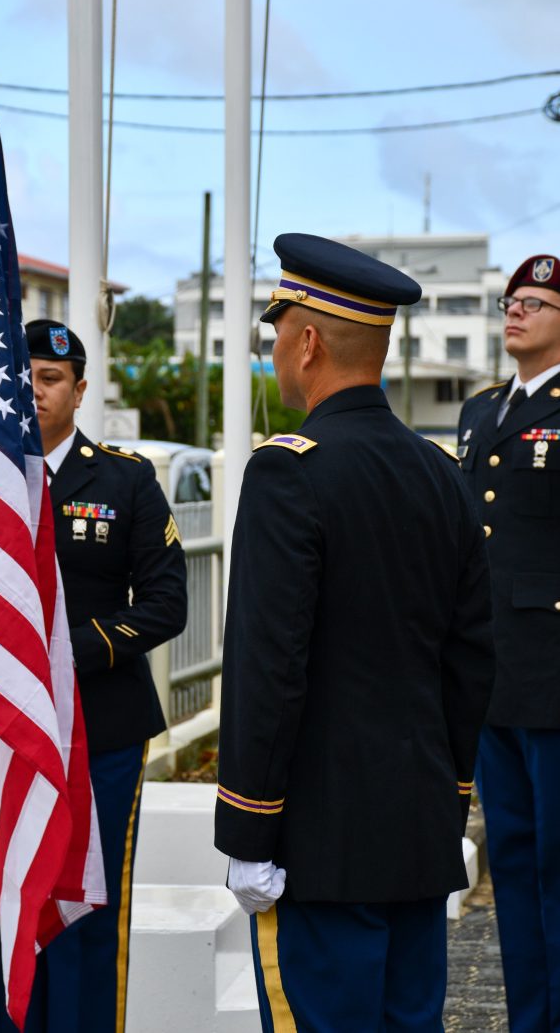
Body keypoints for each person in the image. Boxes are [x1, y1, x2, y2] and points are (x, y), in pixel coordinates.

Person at [214, 233, 495, 1031]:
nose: (274, 353)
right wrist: (451, 795)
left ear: (308, 343)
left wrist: (247, 826)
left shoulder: (287, 469)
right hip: (416, 833)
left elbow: (270, 669)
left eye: (277, 334)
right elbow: (472, 657)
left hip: (321, 844)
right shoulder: (442, 473)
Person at [0, 319, 188, 1033]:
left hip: (101, 728)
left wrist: (67, 649)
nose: (34, 388)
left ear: (80, 390)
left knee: (86, 909)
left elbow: (166, 602)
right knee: (11, 910)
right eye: (22, 375)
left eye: (50, 378)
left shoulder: (126, 479)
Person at [457, 253, 560, 1031]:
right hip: (496, 676)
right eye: (509, 301)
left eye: (533, 302)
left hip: (555, 674)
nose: (513, 312)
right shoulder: (481, 409)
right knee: (515, 866)